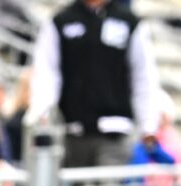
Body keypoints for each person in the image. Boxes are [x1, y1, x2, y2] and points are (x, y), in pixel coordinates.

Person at [25, 0, 160, 168]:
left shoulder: (129, 22)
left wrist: (149, 125)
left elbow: (143, 75)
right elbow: (47, 72)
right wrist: (41, 113)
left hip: (115, 133)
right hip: (72, 133)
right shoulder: (61, 20)